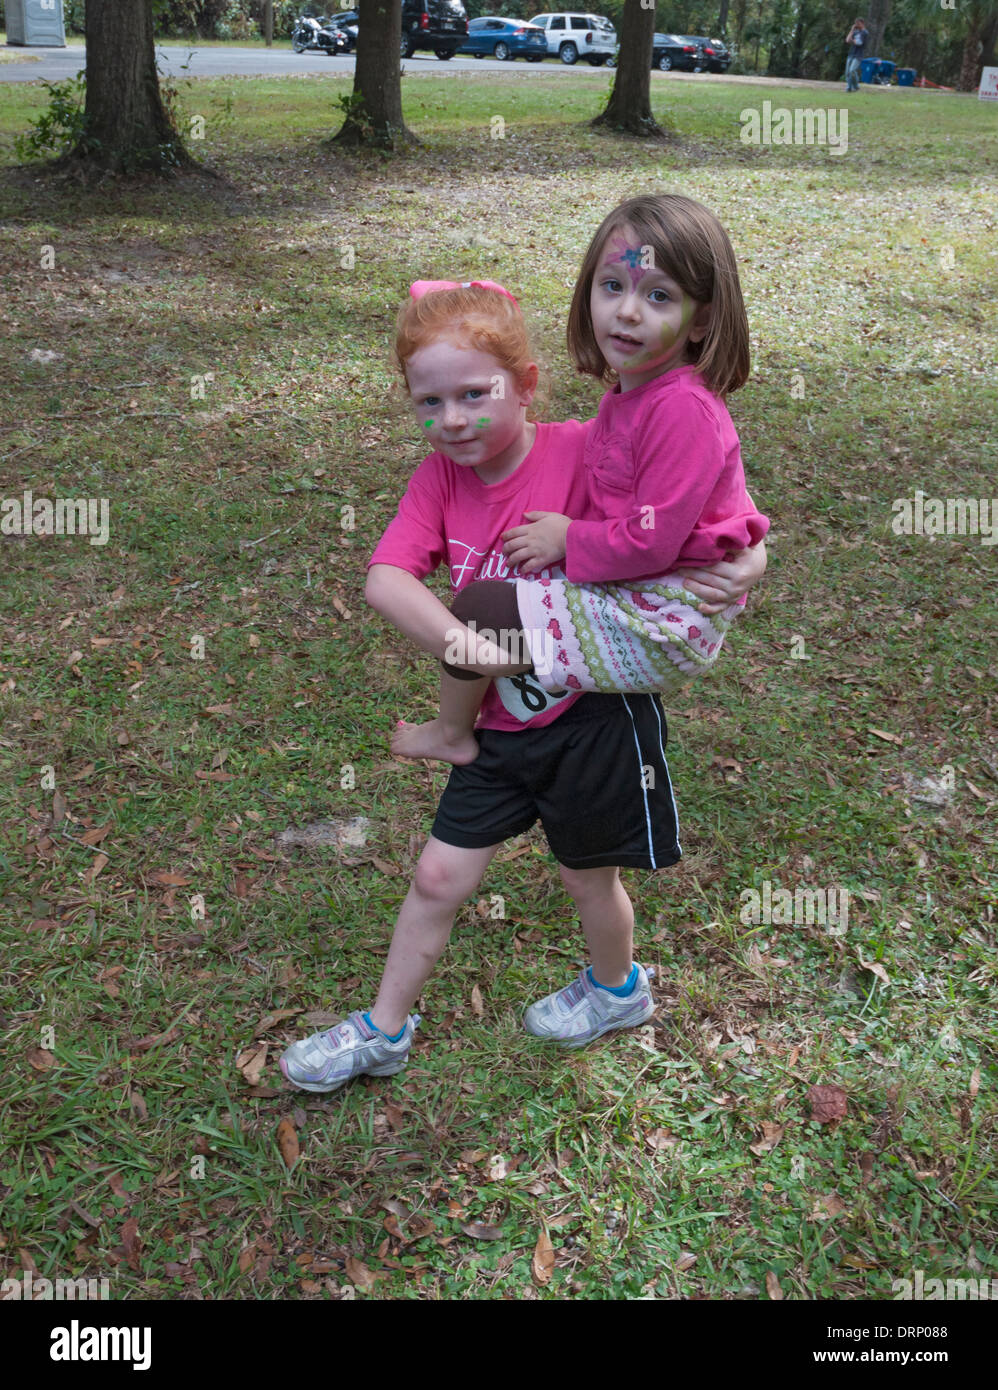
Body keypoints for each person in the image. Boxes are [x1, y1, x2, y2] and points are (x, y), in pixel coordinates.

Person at [279, 277, 767, 1094]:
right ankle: (383, 1030)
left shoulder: (585, 448)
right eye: (428, 403)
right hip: (497, 731)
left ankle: (617, 993)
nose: (453, 420)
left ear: (528, 384)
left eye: (475, 394)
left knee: (589, 878)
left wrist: (753, 554)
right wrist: (472, 646)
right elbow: (385, 579)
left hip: (592, 721)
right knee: (436, 877)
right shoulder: (438, 480)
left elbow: (693, 501)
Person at [392, 194, 769, 769]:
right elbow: (714, 488)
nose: (628, 312)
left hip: (666, 615)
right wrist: (756, 549)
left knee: (487, 606)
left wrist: (570, 539)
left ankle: (456, 732)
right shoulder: (637, 398)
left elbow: (653, 537)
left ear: (705, 319)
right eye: (612, 285)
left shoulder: (680, 408)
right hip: (655, 593)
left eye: (659, 295)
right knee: (496, 612)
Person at [845, 18, 868, 91]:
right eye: (856, 24)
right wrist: (852, 30)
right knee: (848, 72)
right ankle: (849, 87)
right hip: (851, 53)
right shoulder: (855, 32)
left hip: (858, 55)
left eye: (858, 23)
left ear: (862, 23)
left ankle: (856, 86)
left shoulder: (865, 33)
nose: (856, 25)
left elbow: (859, 43)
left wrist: (853, 40)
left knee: (852, 70)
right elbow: (847, 40)